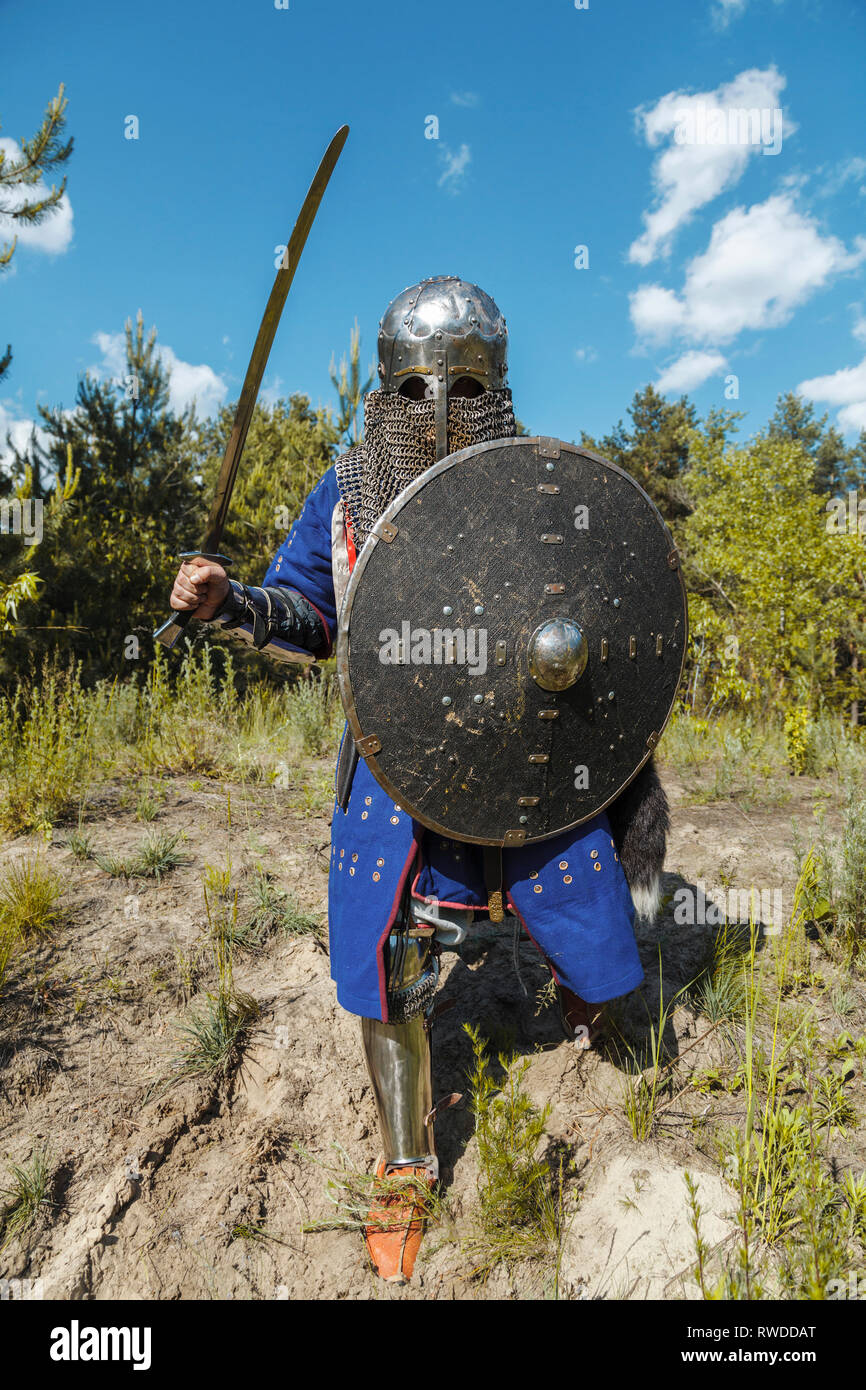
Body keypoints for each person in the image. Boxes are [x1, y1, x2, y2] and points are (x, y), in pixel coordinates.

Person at [168, 276, 669, 1283]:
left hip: (527, 741)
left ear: (494, 389)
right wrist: (229, 602)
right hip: (399, 753)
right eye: (411, 389)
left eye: (463, 386)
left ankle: (591, 995)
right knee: (382, 929)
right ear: (383, 392)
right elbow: (308, 617)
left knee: (580, 890)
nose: (437, 408)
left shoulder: (537, 479)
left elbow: (605, 612)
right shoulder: (349, 487)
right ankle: (406, 1154)